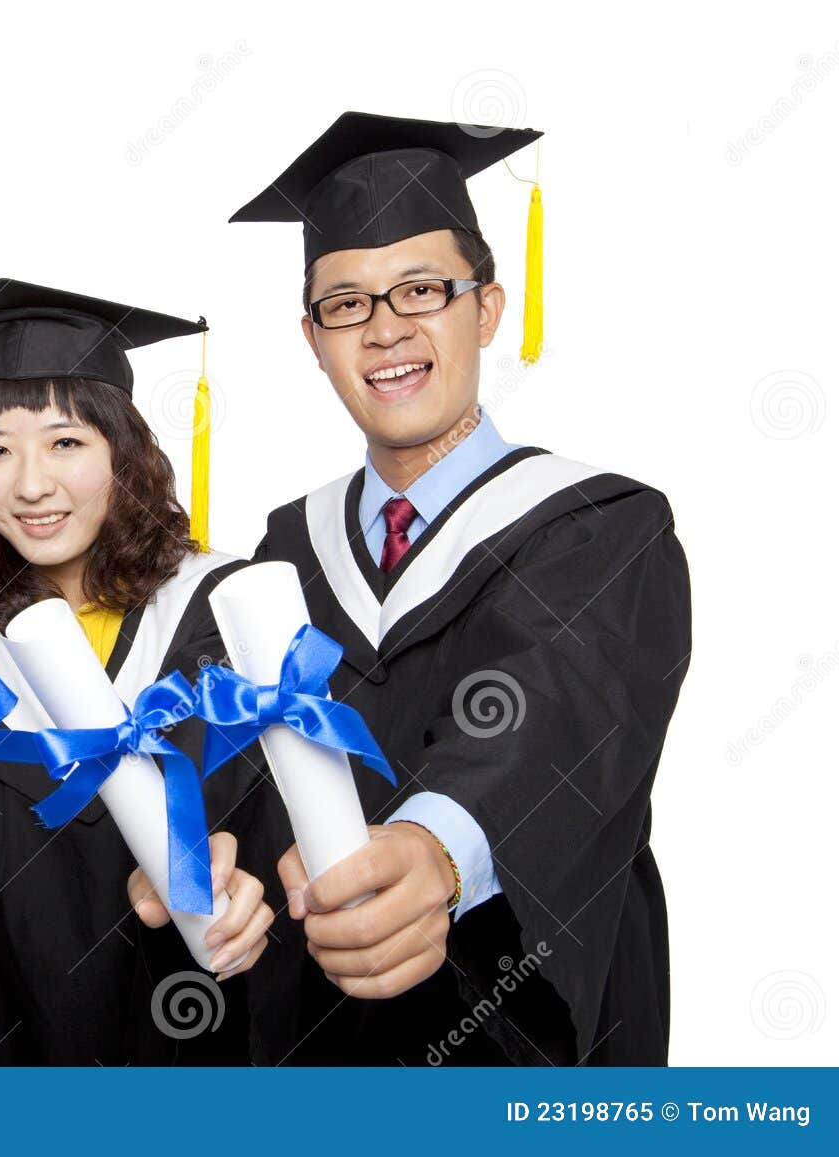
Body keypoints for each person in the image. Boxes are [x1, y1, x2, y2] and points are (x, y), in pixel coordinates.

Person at [232, 113, 691, 1065]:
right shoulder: (282, 549)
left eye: (422, 289)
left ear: (485, 309)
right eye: (346, 304)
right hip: (318, 1042)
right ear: (312, 339)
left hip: (525, 1043)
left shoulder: (601, 526)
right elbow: (230, 744)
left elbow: (562, 708)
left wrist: (436, 849)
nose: (387, 327)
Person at [0, 280, 282, 1063]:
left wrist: (254, 891)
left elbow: (276, 830)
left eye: (66, 441)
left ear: (125, 453)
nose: (32, 484)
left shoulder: (221, 618)